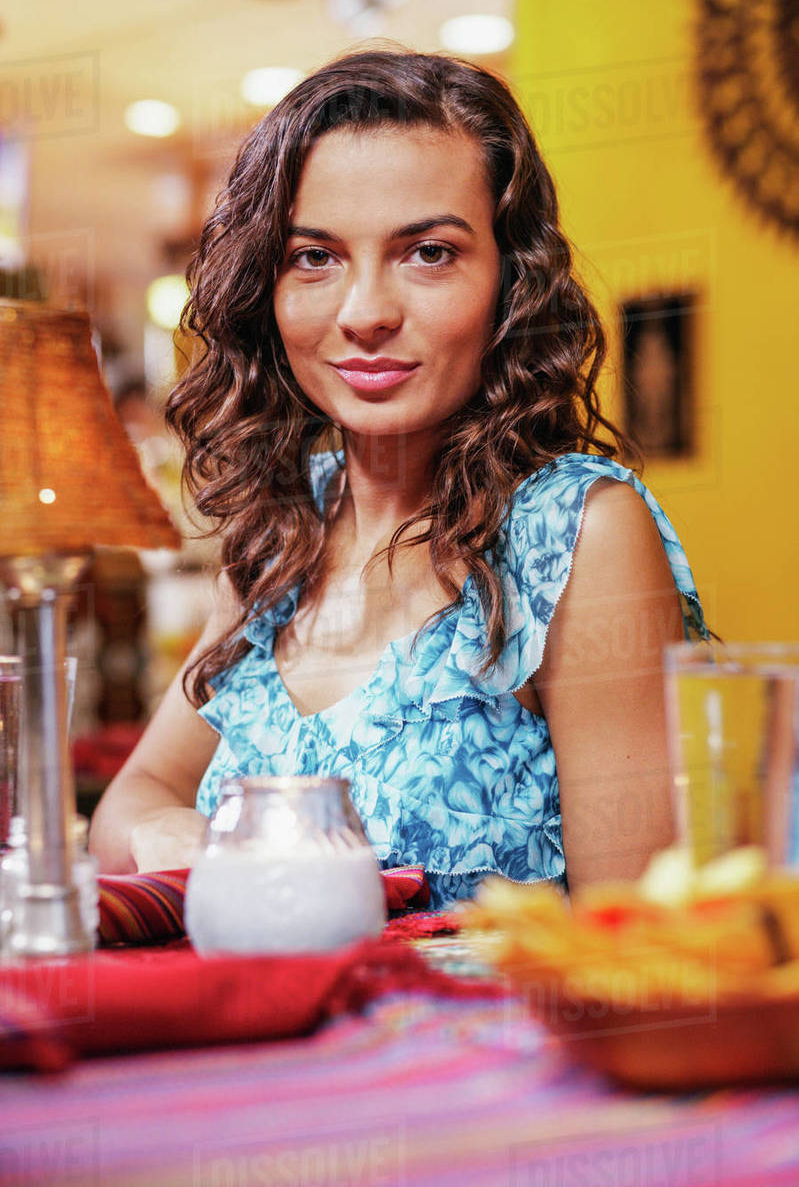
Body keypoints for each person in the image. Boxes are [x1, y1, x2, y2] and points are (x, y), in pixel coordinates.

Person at [89, 48, 707, 907]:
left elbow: (633, 946)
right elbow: (130, 800)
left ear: (509, 279)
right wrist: (174, 834)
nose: (365, 312)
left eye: (427, 252)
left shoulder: (573, 534)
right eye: (315, 257)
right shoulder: (282, 527)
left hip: (478, 1043)